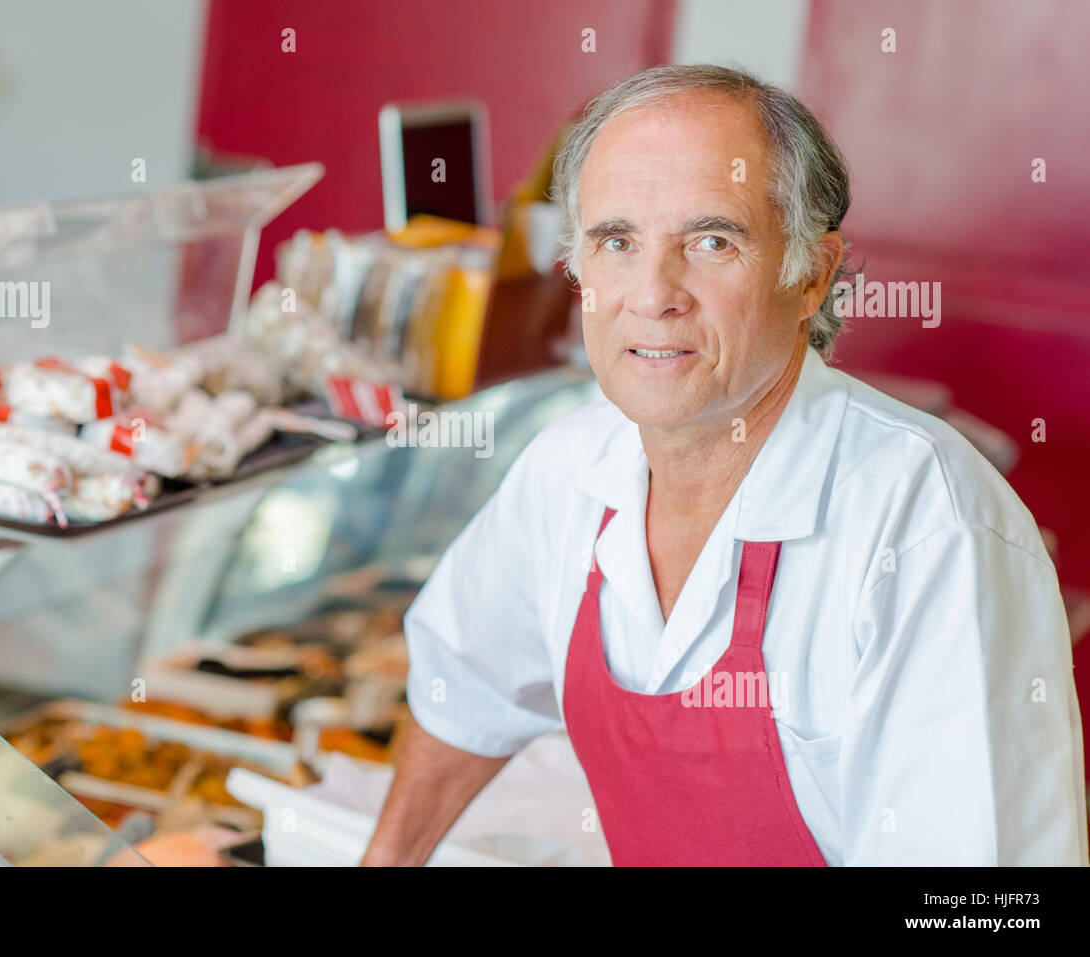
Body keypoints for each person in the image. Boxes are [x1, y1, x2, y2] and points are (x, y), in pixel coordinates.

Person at [361, 65, 1087, 866]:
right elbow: (464, 690)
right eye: (616, 240)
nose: (653, 293)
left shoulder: (929, 528)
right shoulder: (567, 469)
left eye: (711, 241)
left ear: (811, 272)